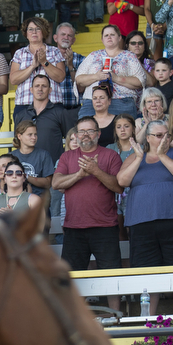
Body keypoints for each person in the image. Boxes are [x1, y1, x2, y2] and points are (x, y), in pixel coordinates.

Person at [117, 119, 173, 313]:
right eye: (159, 135)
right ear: (148, 138)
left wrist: (162, 155)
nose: (164, 139)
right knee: (147, 274)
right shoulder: (136, 157)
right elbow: (121, 180)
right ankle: (147, 320)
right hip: (142, 225)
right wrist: (138, 158)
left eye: (166, 135)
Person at [53, 116, 124, 310]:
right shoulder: (67, 157)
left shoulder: (110, 156)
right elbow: (56, 183)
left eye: (90, 131)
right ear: (75, 135)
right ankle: (71, 320)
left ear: (98, 133)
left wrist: (96, 171)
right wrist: (79, 174)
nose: (85, 135)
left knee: (112, 276)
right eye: (81, 131)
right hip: (74, 227)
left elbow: (118, 187)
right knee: (70, 278)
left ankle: (117, 316)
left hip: (105, 227)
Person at [76, 24, 145, 118]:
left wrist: (116, 78)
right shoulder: (93, 55)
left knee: (123, 131)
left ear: (120, 37)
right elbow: (79, 79)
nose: (109, 37)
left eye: (112, 34)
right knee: (86, 129)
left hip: (122, 101)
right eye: (106, 35)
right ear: (102, 39)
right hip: (93, 101)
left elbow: (140, 81)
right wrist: (96, 76)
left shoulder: (129, 56)